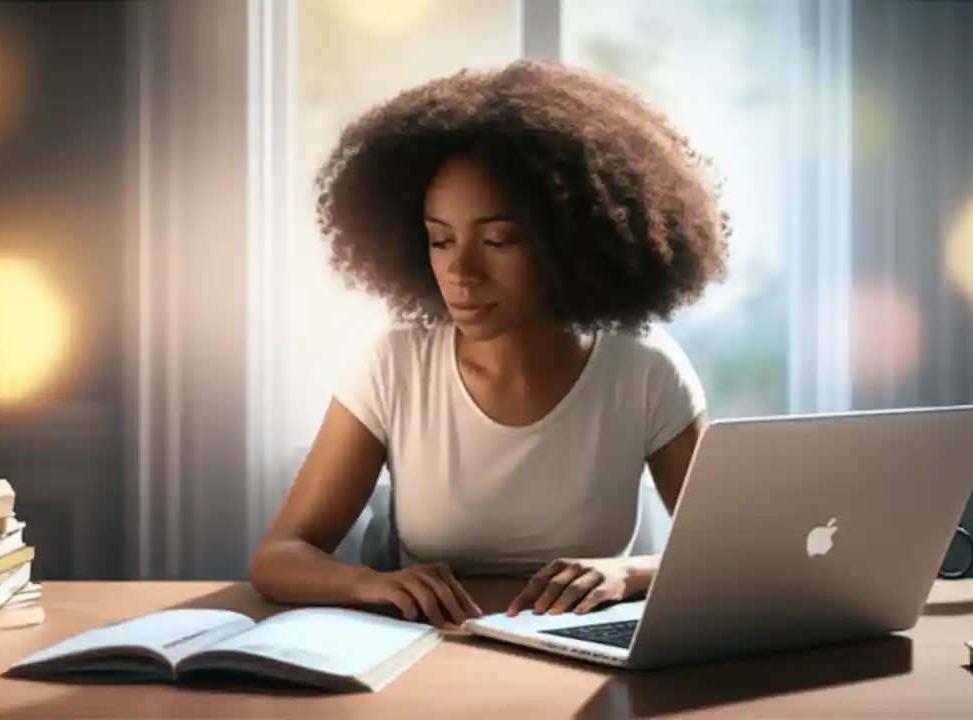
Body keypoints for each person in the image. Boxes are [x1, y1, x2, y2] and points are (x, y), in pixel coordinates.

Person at [250, 59, 730, 630]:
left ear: (570, 241)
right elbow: (279, 557)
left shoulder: (645, 369)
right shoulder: (395, 365)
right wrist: (373, 583)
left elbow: (724, 555)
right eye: (440, 240)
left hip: (580, 655)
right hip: (425, 652)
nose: (461, 272)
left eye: (498, 240)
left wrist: (629, 574)